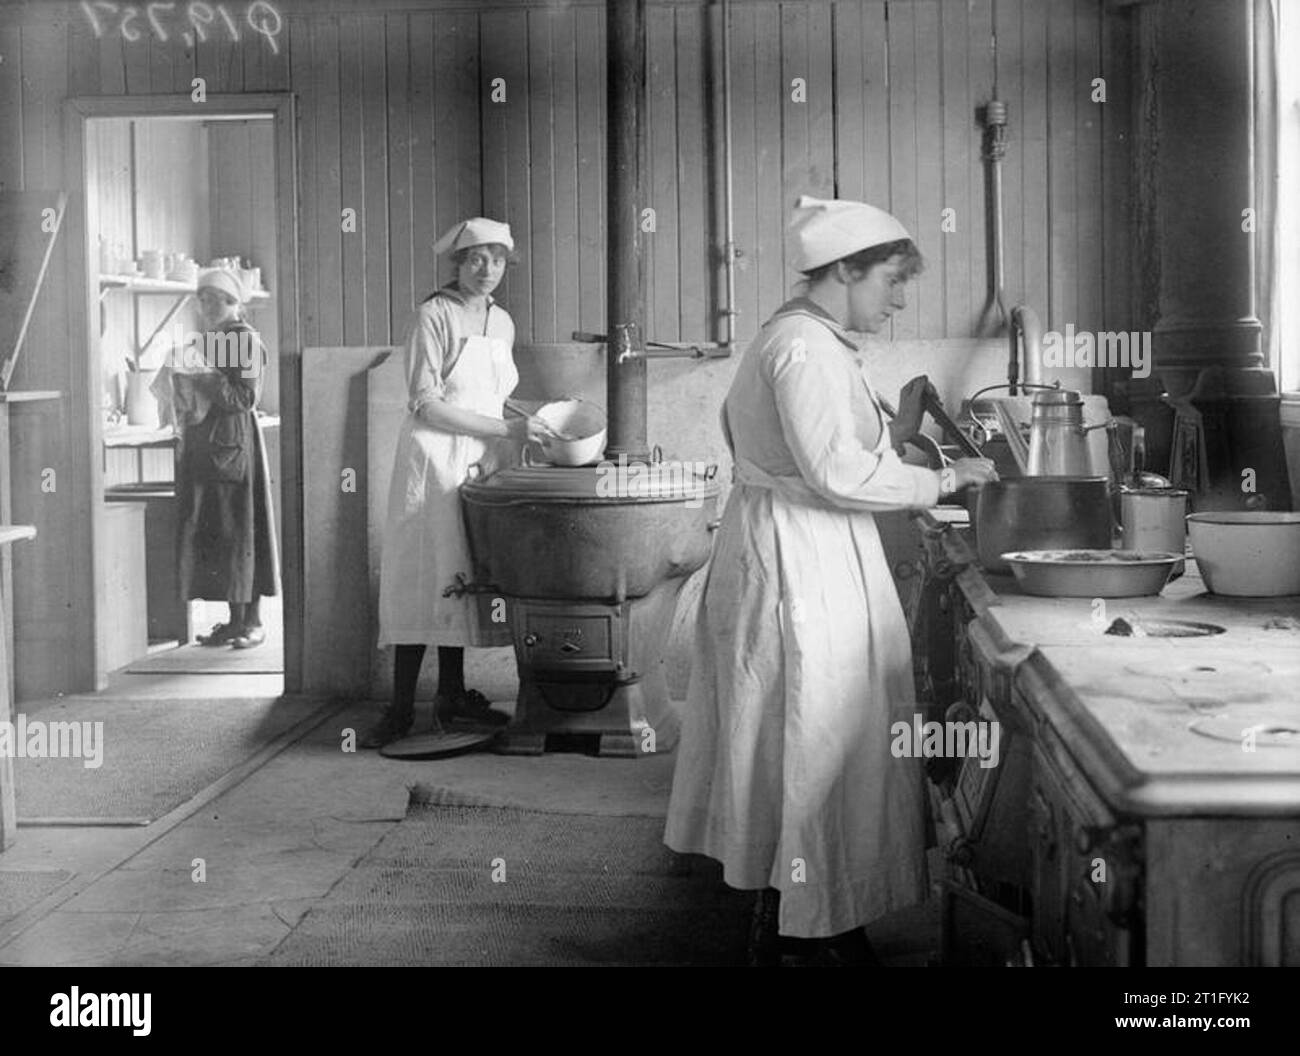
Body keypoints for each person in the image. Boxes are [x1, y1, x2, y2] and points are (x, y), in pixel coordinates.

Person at [663, 195, 998, 966]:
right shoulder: (803, 348)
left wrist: (902, 444)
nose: (899, 299)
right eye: (891, 280)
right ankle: (813, 927)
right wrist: (944, 481)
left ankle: (797, 912)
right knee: (814, 733)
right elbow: (836, 473)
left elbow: (827, 452)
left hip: (804, 544)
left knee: (805, 735)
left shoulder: (810, 339)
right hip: (799, 557)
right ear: (845, 270)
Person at [362, 218, 554, 749]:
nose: (487, 269)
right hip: (434, 459)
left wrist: (536, 419)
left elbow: (492, 396)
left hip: (480, 459)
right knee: (422, 576)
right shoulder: (434, 315)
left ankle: (451, 697)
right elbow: (426, 403)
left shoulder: (502, 322)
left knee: (461, 577)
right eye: (475, 259)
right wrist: (506, 429)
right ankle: (401, 709)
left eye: (497, 259)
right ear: (458, 263)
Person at [172, 268, 280, 649]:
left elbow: (244, 398)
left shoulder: (244, 340)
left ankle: (253, 622)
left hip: (235, 446)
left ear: (233, 302)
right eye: (202, 299)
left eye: (214, 299)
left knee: (241, 531)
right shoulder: (210, 340)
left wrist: (202, 374)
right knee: (223, 534)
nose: (206, 306)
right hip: (211, 447)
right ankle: (235, 622)